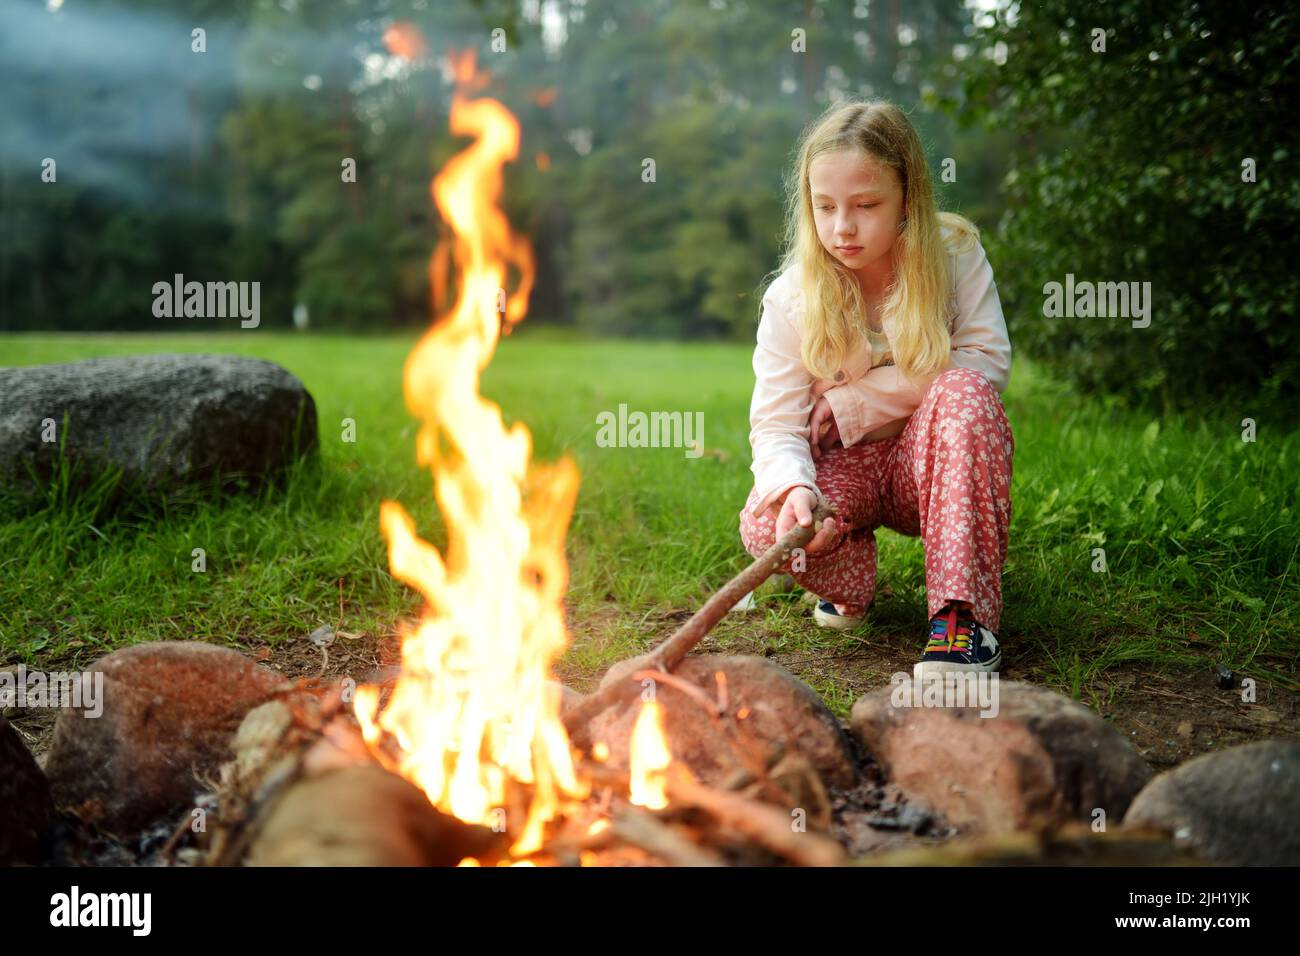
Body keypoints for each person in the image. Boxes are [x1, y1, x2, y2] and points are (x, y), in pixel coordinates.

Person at [738, 99, 1014, 676]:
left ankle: (962, 618)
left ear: (908, 198)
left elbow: (986, 361)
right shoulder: (791, 297)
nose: (843, 226)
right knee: (767, 522)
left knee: (963, 393)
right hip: (850, 473)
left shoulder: (954, 255)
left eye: (866, 205)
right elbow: (777, 426)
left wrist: (857, 403)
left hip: (931, 468)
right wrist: (793, 490)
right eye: (826, 206)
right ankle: (851, 580)